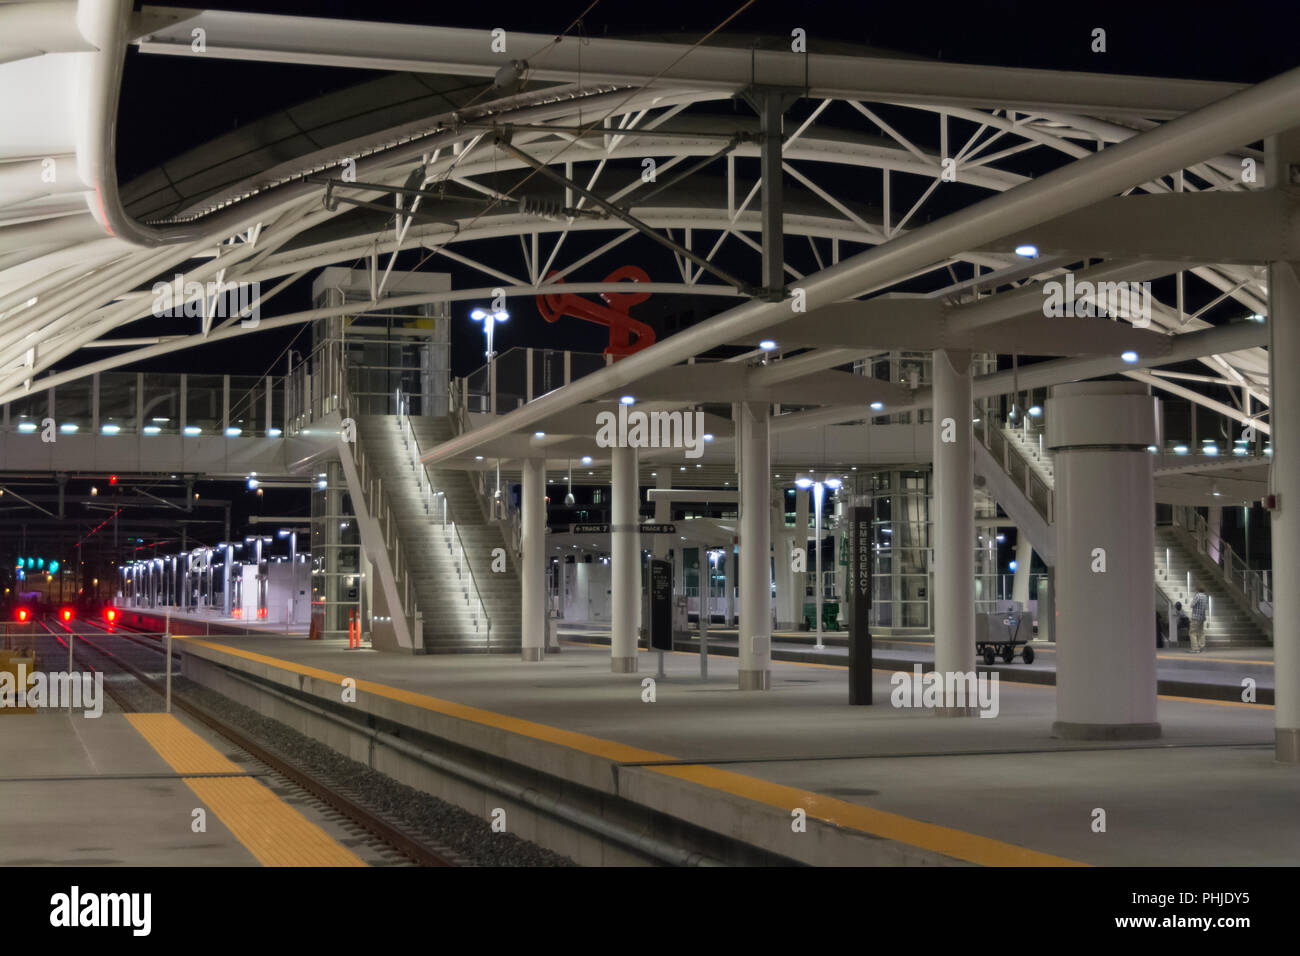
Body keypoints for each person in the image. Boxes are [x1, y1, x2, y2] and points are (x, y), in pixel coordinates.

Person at [1189, 587, 1209, 653]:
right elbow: (1206, 607)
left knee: (1192, 632)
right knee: (1201, 632)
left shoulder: (1197, 596)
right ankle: (1201, 647)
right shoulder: (1205, 597)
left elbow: (1192, 605)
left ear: (1197, 589)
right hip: (1202, 617)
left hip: (1195, 617)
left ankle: (1195, 648)